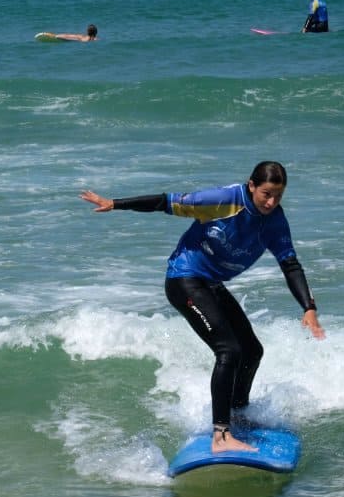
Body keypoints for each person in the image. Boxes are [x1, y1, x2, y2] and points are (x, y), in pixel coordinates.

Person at [79, 161, 325, 453]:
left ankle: (237, 415)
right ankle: (221, 435)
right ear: (251, 186)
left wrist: (308, 307)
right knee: (229, 350)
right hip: (184, 279)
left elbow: (290, 264)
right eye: (266, 194)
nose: (271, 202)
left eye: (278, 196)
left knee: (252, 350)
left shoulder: (275, 221)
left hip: (211, 284)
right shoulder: (223, 201)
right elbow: (164, 201)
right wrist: (114, 204)